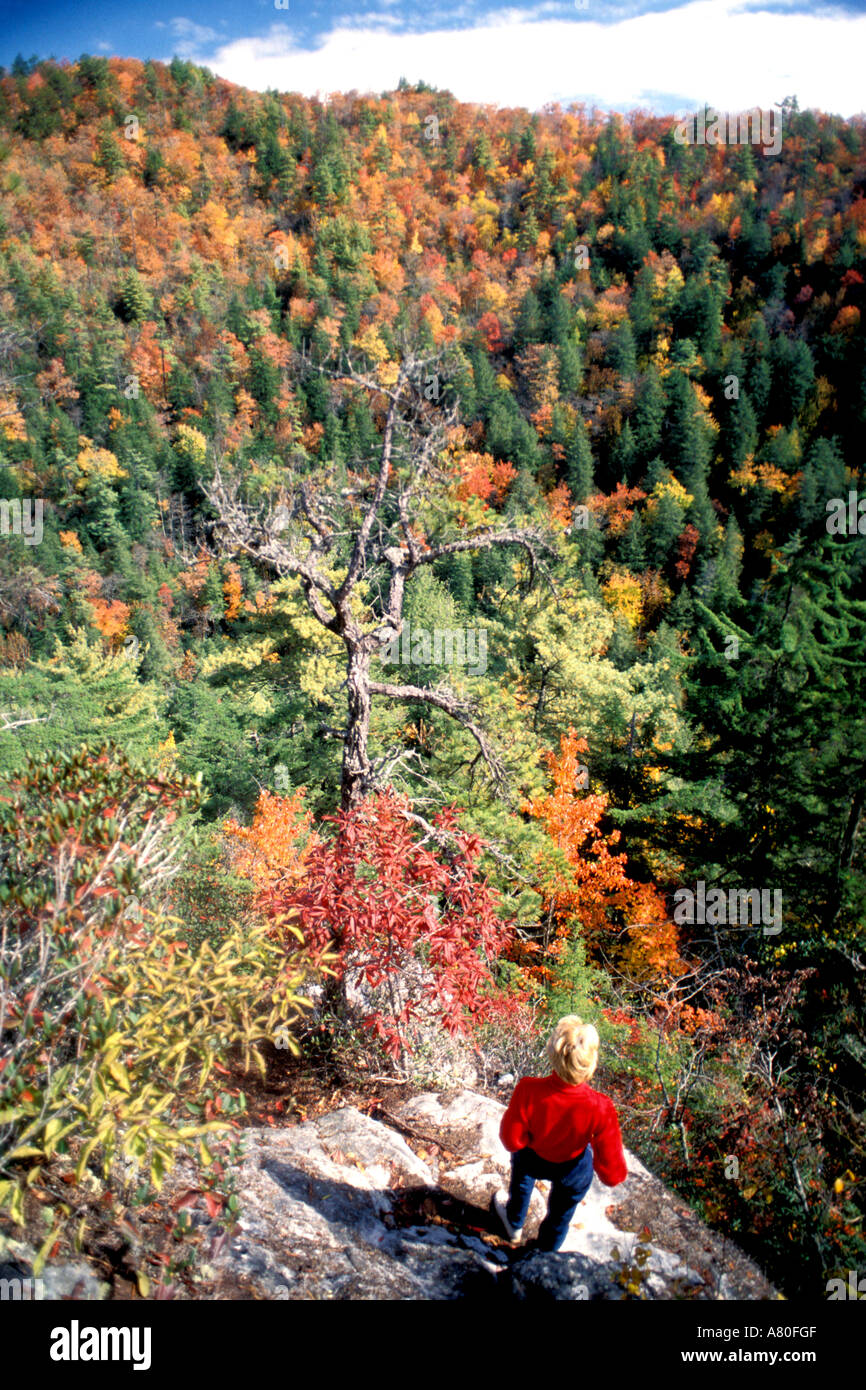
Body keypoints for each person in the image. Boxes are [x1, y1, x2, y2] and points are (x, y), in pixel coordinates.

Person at [494, 1015, 627, 1252]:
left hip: (534, 1158)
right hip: (572, 1168)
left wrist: (532, 1139)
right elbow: (612, 1174)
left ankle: (514, 1223)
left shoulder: (528, 1089)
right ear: (590, 1062)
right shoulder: (601, 1107)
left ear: (554, 1054)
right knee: (561, 1214)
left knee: (522, 1175)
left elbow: (511, 1140)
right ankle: (546, 1252)